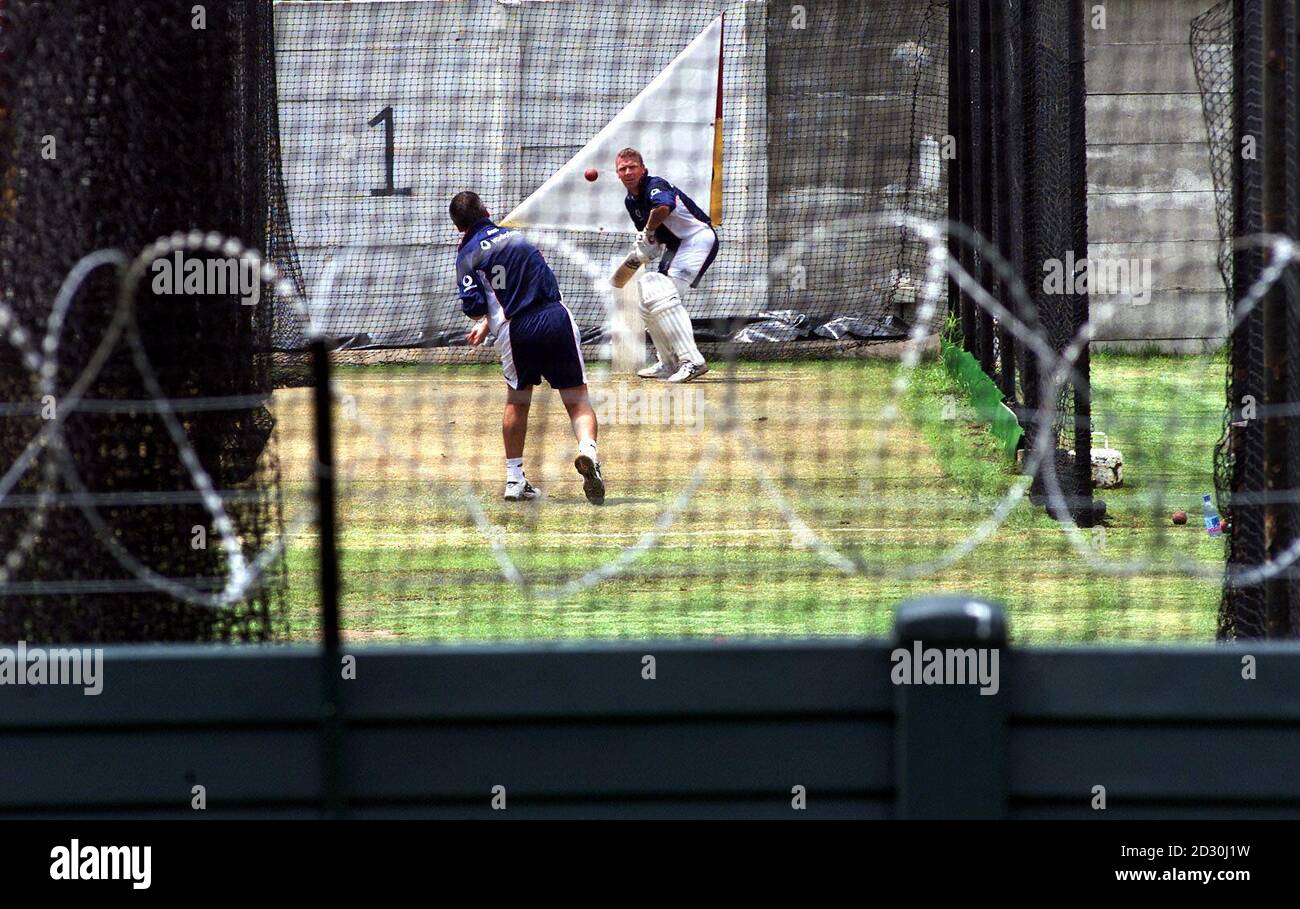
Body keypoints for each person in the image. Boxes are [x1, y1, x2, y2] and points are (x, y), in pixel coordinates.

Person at [450, 190, 605, 504]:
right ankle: (588, 451)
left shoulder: (467, 253)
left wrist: (483, 320)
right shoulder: (518, 237)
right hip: (555, 317)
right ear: (487, 210)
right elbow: (540, 278)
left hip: (517, 331)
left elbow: (473, 303)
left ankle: (514, 479)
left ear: (458, 226)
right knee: (577, 400)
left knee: (517, 403)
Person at [616, 147, 716, 383]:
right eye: (623, 168)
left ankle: (693, 361)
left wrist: (648, 232)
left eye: (632, 167)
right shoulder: (631, 202)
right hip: (675, 247)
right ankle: (669, 363)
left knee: (660, 292)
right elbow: (655, 237)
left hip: (696, 239)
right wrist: (647, 246)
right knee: (646, 300)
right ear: (617, 174)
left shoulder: (655, 184)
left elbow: (662, 208)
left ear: (643, 169)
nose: (628, 171)